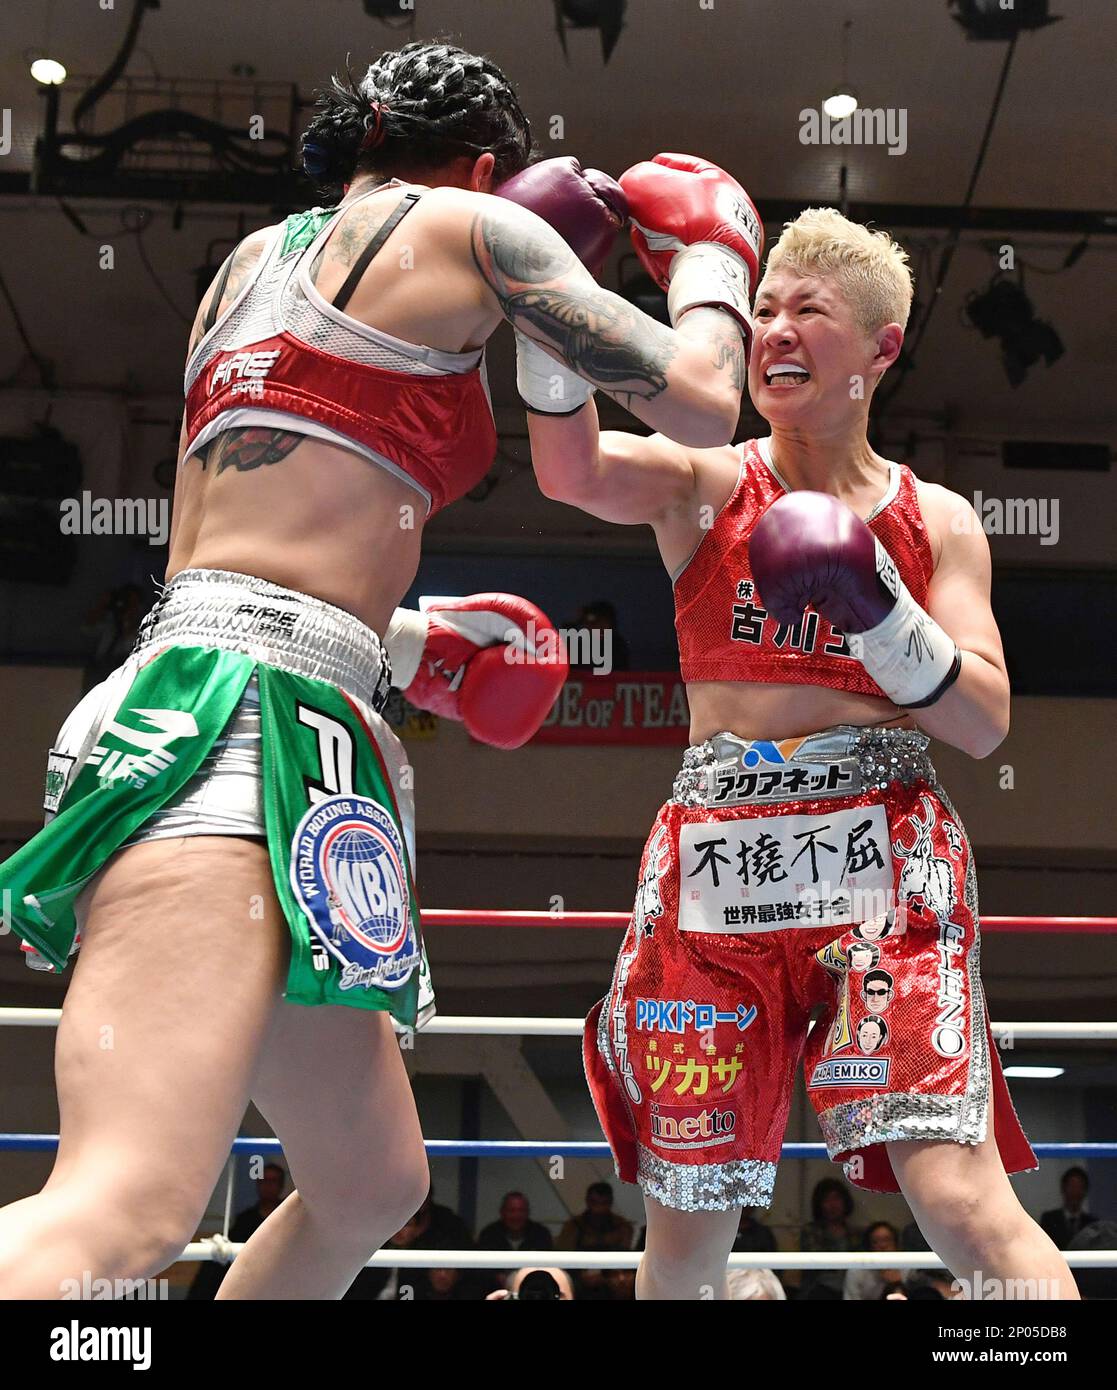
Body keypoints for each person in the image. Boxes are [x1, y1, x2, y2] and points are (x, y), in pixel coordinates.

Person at [0, 39, 753, 1300]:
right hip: (239, 729)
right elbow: (698, 398)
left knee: (370, 1183)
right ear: (481, 168)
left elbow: (254, 534)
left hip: (255, 696)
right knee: (126, 1205)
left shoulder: (244, 269)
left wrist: (407, 646)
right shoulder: (472, 226)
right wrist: (717, 258)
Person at [531, 202, 1078, 1299]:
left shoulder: (940, 519)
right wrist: (547, 305)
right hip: (713, 864)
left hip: (883, 866)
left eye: (809, 312)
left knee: (960, 1201)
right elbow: (571, 471)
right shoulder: (709, 483)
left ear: (879, 348)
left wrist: (874, 605)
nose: (775, 330)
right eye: (765, 307)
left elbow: (981, 721)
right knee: (686, 1233)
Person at [186, 1163, 287, 1299]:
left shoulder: (290, 1217)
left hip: (280, 1269)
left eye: (273, 1181)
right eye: (264, 1181)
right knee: (216, 1261)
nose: (268, 1186)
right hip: (248, 1271)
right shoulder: (245, 1219)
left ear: (281, 1185)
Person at [798, 1179, 859, 1301]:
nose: (832, 1205)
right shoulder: (811, 1231)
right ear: (819, 1204)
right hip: (817, 1291)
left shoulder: (854, 1233)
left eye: (836, 1198)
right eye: (827, 1200)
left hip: (849, 1289)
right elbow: (817, 1264)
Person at [843, 1219, 903, 1300]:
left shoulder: (906, 1266)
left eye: (887, 1240)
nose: (883, 1245)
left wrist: (897, 1284)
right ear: (869, 1246)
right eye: (876, 1241)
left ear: (896, 1244)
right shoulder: (857, 1271)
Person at [1040, 1166, 1098, 1249]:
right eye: (1072, 1186)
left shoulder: (1092, 1224)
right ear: (1063, 1188)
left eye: (1079, 1187)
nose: (1075, 1192)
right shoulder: (1049, 1220)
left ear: (1085, 1191)